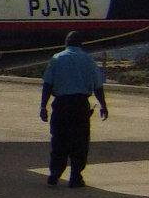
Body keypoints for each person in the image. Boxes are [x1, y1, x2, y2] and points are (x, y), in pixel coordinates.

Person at [40, 32, 109, 188]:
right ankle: (76, 176)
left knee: (59, 140)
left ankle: (55, 174)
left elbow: (47, 84)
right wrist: (103, 105)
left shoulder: (57, 58)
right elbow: (98, 86)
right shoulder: (88, 60)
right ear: (81, 44)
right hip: (80, 105)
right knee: (79, 142)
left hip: (61, 105)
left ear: (66, 43)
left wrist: (43, 106)